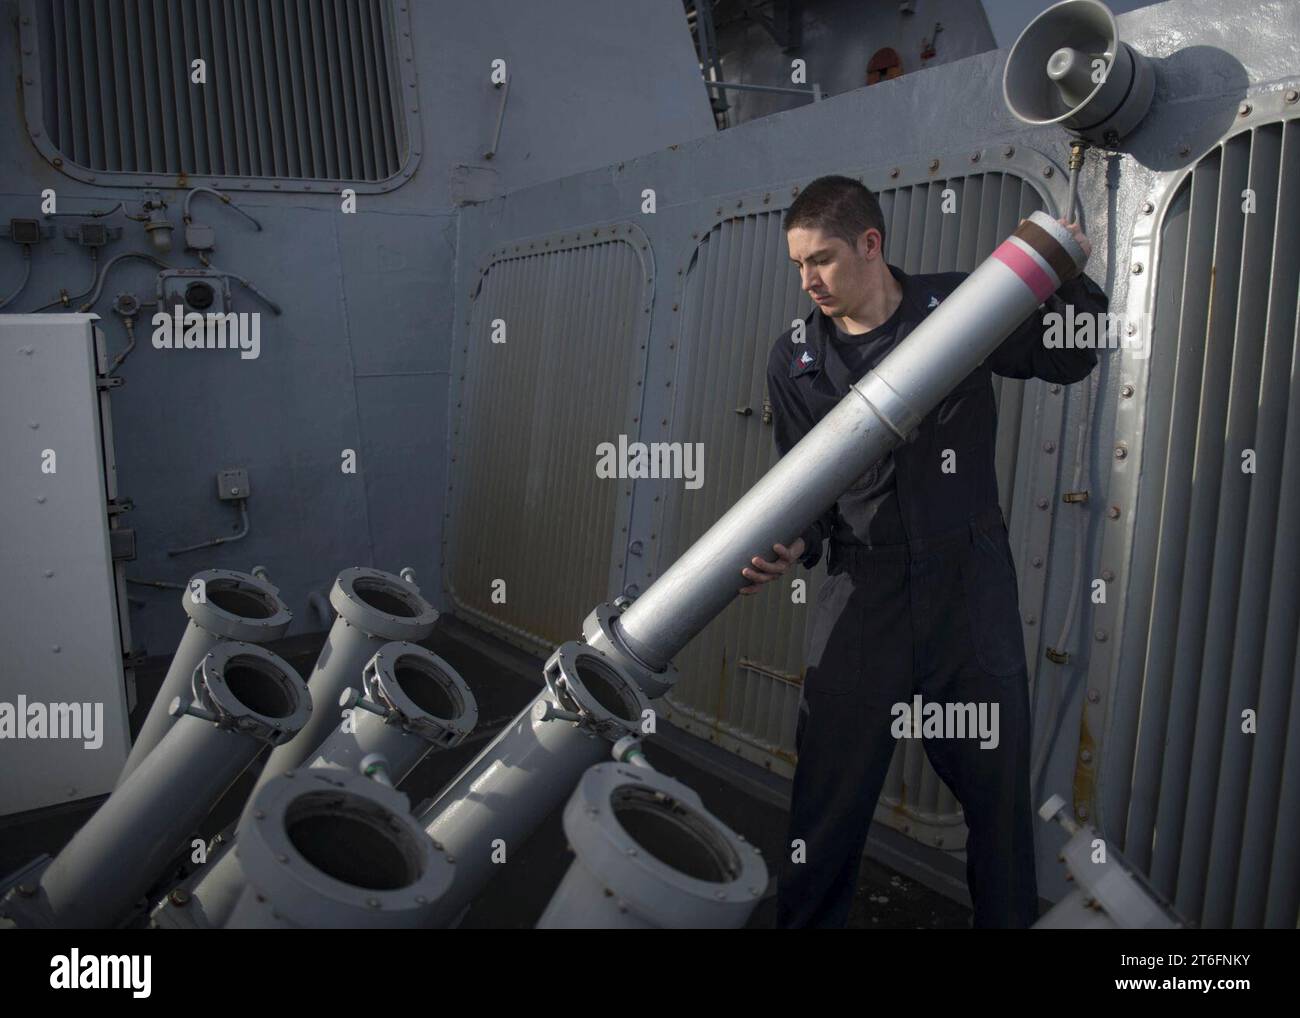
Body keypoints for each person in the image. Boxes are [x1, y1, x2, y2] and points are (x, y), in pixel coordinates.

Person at [740, 175, 1106, 928]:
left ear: (872, 244)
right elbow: (804, 487)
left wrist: (1067, 273)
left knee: (998, 800)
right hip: (859, 593)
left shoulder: (962, 311)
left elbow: (1071, 359)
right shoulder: (797, 357)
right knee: (825, 806)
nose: (809, 282)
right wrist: (790, 544)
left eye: (824, 260)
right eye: (798, 266)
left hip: (966, 589)